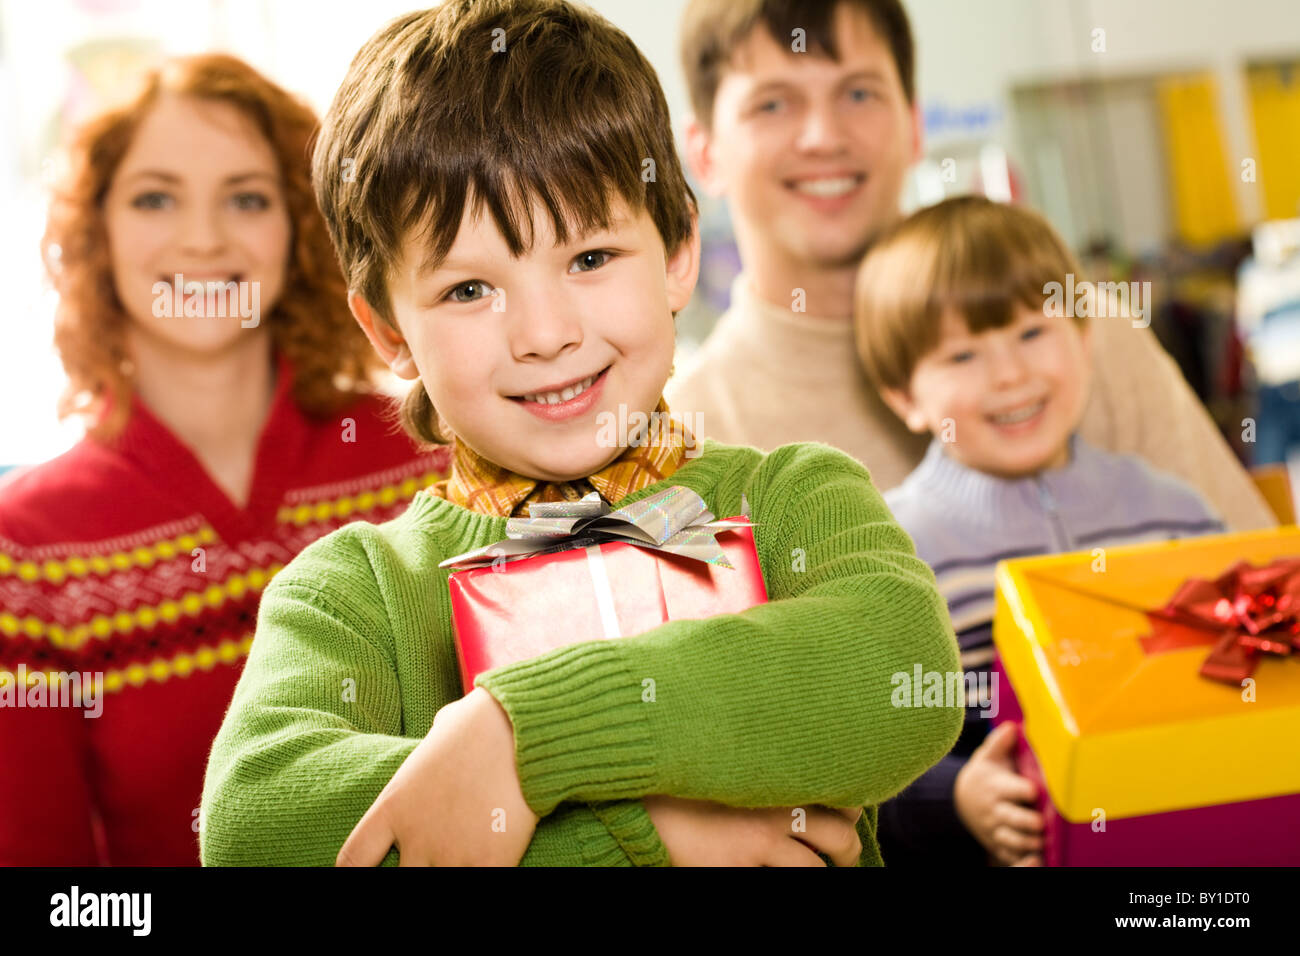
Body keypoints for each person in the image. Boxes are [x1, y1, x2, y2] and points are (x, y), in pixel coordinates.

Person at [199, 0, 962, 867]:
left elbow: (901, 678)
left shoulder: (792, 494)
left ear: (678, 251)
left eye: (590, 259)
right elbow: (255, 827)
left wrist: (523, 739)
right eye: (468, 290)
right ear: (388, 332)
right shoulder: (353, 594)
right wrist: (643, 838)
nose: (545, 333)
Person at [0, 54, 448, 866]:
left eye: (246, 197)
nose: (202, 238)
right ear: (96, 232)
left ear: (300, 226)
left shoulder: (431, 450)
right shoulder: (25, 550)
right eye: (154, 198)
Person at [667, 0, 1274, 532]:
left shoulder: (1072, 324)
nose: (824, 136)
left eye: (858, 93)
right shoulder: (691, 433)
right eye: (773, 104)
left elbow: (1256, 585)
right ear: (705, 153)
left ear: (913, 126)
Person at [854, 196, 1225, 866]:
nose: (1010, 374)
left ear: (1084, 338)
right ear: (905, 397)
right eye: (963, 355)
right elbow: (860, 754)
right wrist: (957, 793)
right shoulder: (886, 555)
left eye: (1031, 334)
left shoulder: (1180, 517)